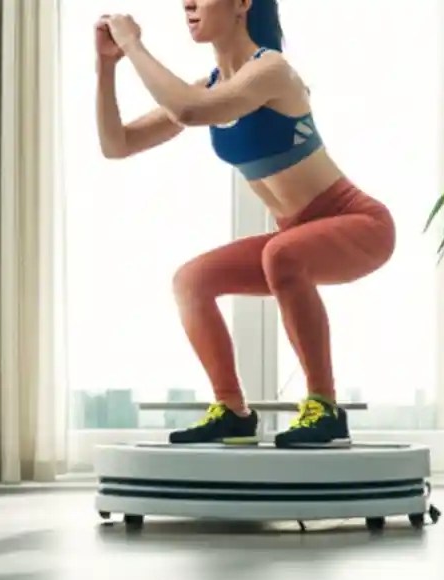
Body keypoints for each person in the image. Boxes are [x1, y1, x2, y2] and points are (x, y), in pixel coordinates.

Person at [94, 0, 395, 448]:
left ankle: (324, 407)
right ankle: (232, 410)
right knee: (192, 281)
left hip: (359, 223)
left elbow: (191, 111)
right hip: (294, 240)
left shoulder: (271, 71)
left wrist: (134, 43)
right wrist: (106, 67)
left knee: (281, 252)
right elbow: (116, 144)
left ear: (241, 3)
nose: (188, 3)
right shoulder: (212, 85)